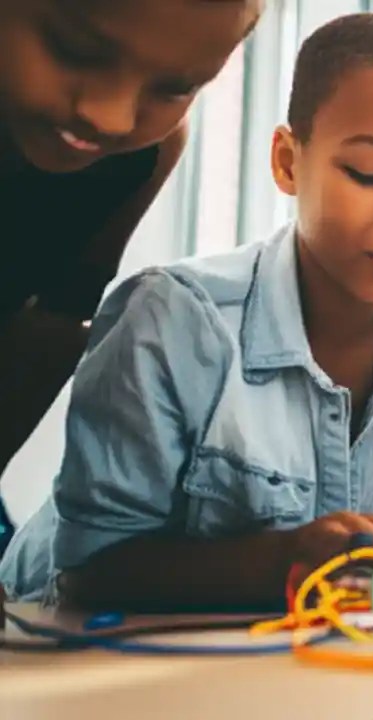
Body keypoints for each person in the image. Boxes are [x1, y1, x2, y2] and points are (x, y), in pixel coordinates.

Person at [0, 12, 373, 610]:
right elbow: (86, 571)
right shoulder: (174, 321)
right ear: (286, 162)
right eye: (369, 174)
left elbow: (356, 565)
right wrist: (284, 559)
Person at [0, 0, 265, 558]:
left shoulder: (143, 155)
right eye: (77, 50)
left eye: (175, 86)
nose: (113, 116)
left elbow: (47, 330)